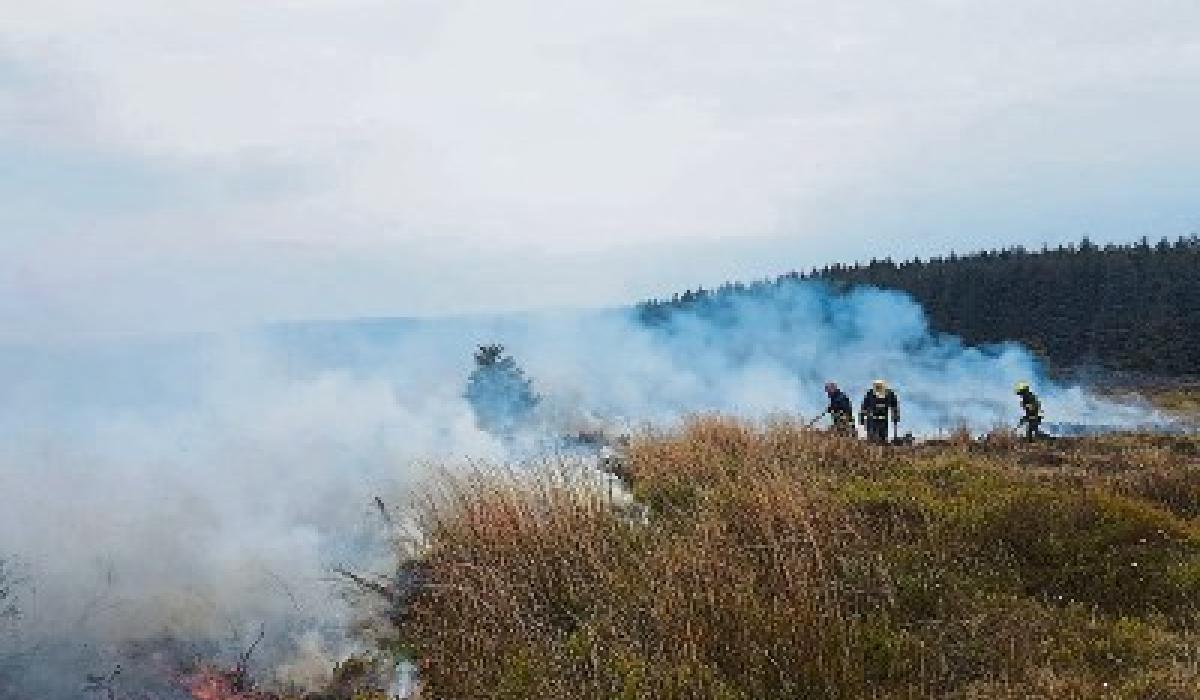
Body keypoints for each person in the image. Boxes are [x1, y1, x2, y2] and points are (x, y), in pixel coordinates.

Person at [860, 379, 899, 445]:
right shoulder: (870, 394)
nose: (878, 388)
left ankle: (882, 451)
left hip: (883, 420)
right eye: (877, 387)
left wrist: (895, 417)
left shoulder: (890, 395)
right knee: (871, 438)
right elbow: (864, 407)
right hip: (871, 419)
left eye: (880, 387)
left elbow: (894, 407)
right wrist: (862, 418)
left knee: (882, 439)